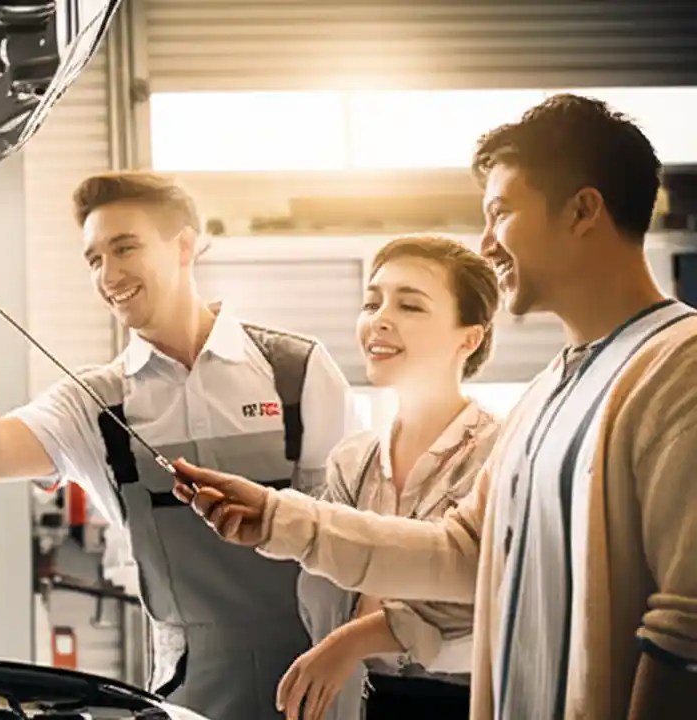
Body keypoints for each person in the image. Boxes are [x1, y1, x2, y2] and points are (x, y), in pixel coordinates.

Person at [171, 93, 697, 720]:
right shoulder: (550, 389)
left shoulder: (678, 368)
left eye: (501, 213)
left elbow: (685, 629)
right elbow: (462, 554)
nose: (486, 241)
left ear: (583, 210)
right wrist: (279, 519)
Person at [0, 170, 359, 719]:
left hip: (322, 681)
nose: (109, 274)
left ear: (184, 245)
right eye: (94, 259)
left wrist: (350, 649)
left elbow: (360, 530)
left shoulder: (295, 370)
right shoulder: (96, 402)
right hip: (191, 695)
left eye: (125, 248)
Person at [284, 234, 502, 720]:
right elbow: (325, 592)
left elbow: (476, 597)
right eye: (372, 301)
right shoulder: (353, 461)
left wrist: (350, 641)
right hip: (368, 701)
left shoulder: (502, 453)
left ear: (470, 337)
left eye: (410, 305)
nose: (379, 318)